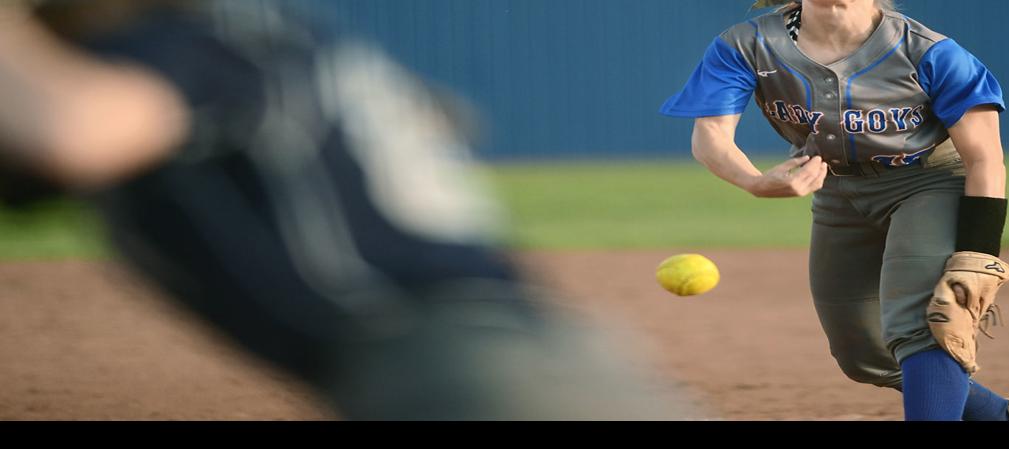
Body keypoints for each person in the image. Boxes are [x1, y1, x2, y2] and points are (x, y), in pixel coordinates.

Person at [0, 0, 691, 420]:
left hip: (465, 366)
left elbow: (73, 131)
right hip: (482, 359)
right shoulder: (241, 50)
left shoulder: (176, 48)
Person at [661, 0, 1009, 421]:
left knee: (927, 323)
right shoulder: (747, 46)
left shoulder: (930, 52)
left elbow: (985, 160)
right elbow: (710, 138)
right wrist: (754, 182)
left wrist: (978, 254)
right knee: (861, 352)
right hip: (838, 191)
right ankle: (997, 414)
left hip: (929, 182)